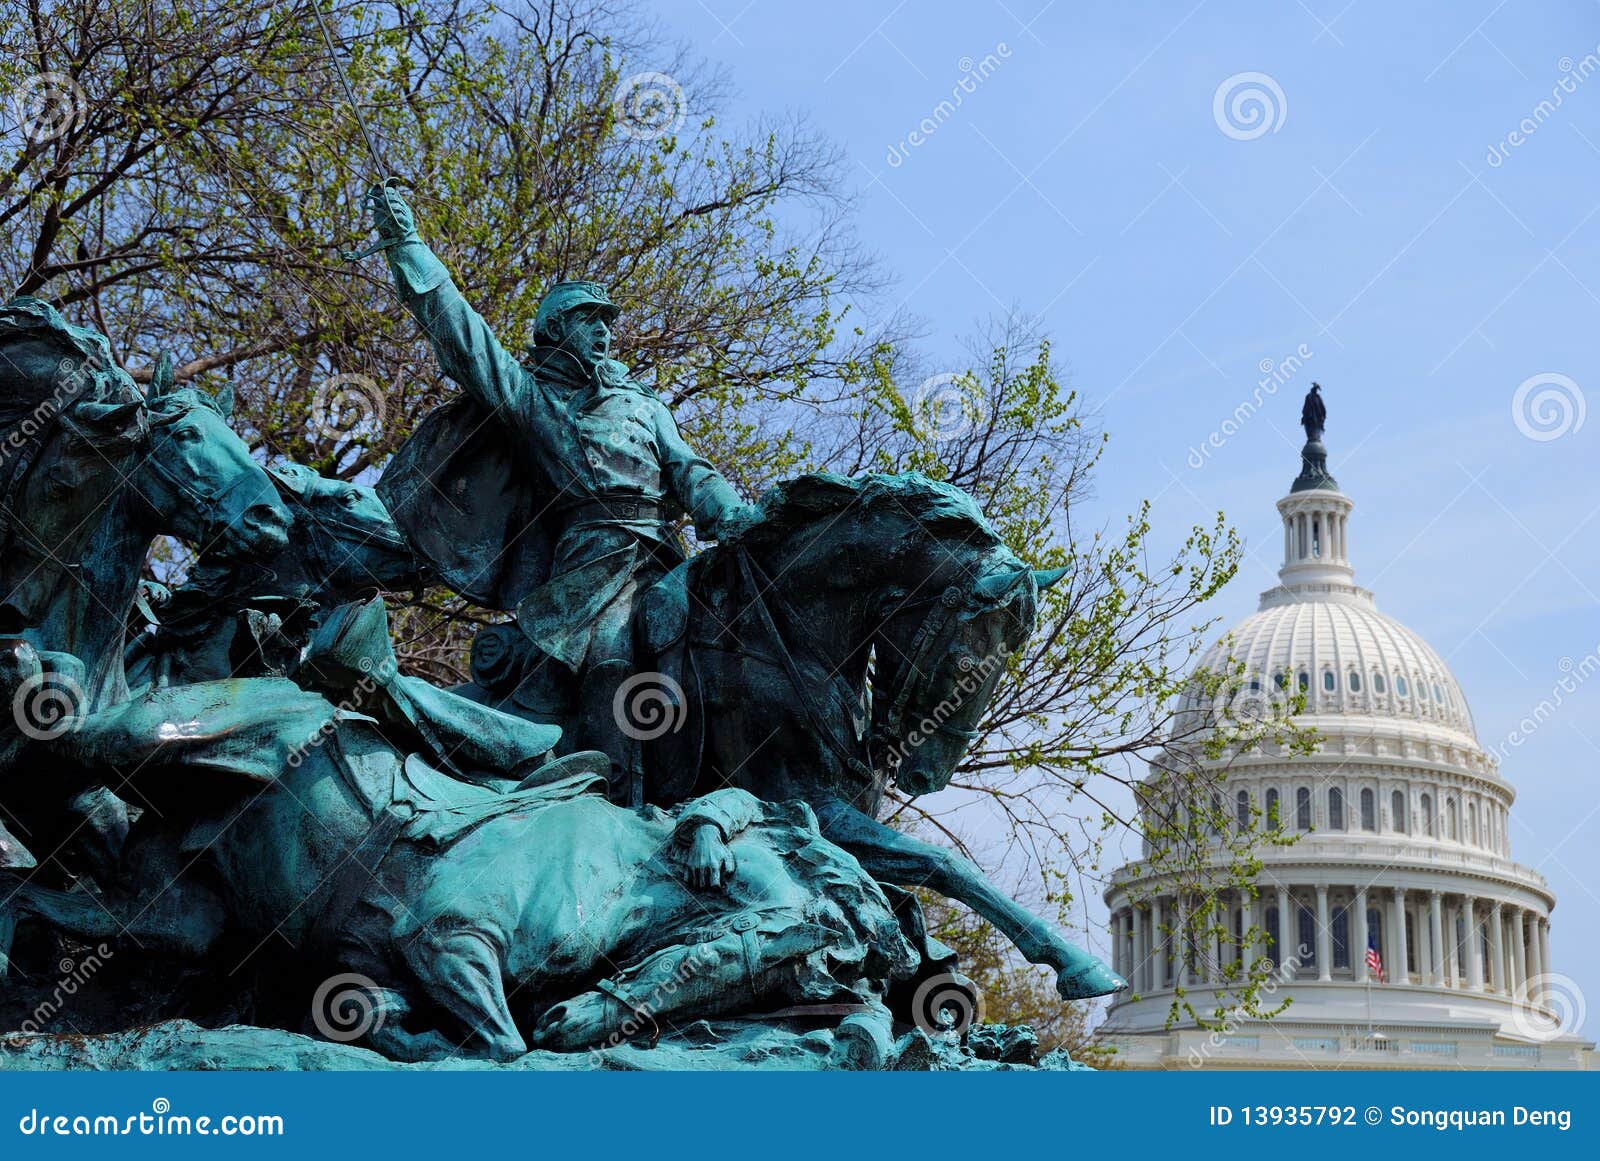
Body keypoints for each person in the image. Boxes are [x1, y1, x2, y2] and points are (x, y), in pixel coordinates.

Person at [368, 184, 760, 804]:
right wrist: (408, 246)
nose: (604, 333)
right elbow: (466, 340)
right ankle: (616, 801)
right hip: (588, 569)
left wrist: (731, 513)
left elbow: (690, 470)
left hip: (662, 559)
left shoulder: (643, 404)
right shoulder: (537, 402)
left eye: (608, 323)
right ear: (556, 329)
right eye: (589, 321)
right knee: (612, 660)